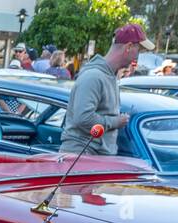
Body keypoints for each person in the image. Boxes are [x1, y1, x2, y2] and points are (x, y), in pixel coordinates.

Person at [61, 22, 153, 155]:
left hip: (93, 159)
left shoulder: (109, 76)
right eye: (138, 50)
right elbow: (83, 118)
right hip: (82, 159)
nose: (137, 57)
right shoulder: (93, 76)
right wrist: (116, 121)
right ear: (129, 46)